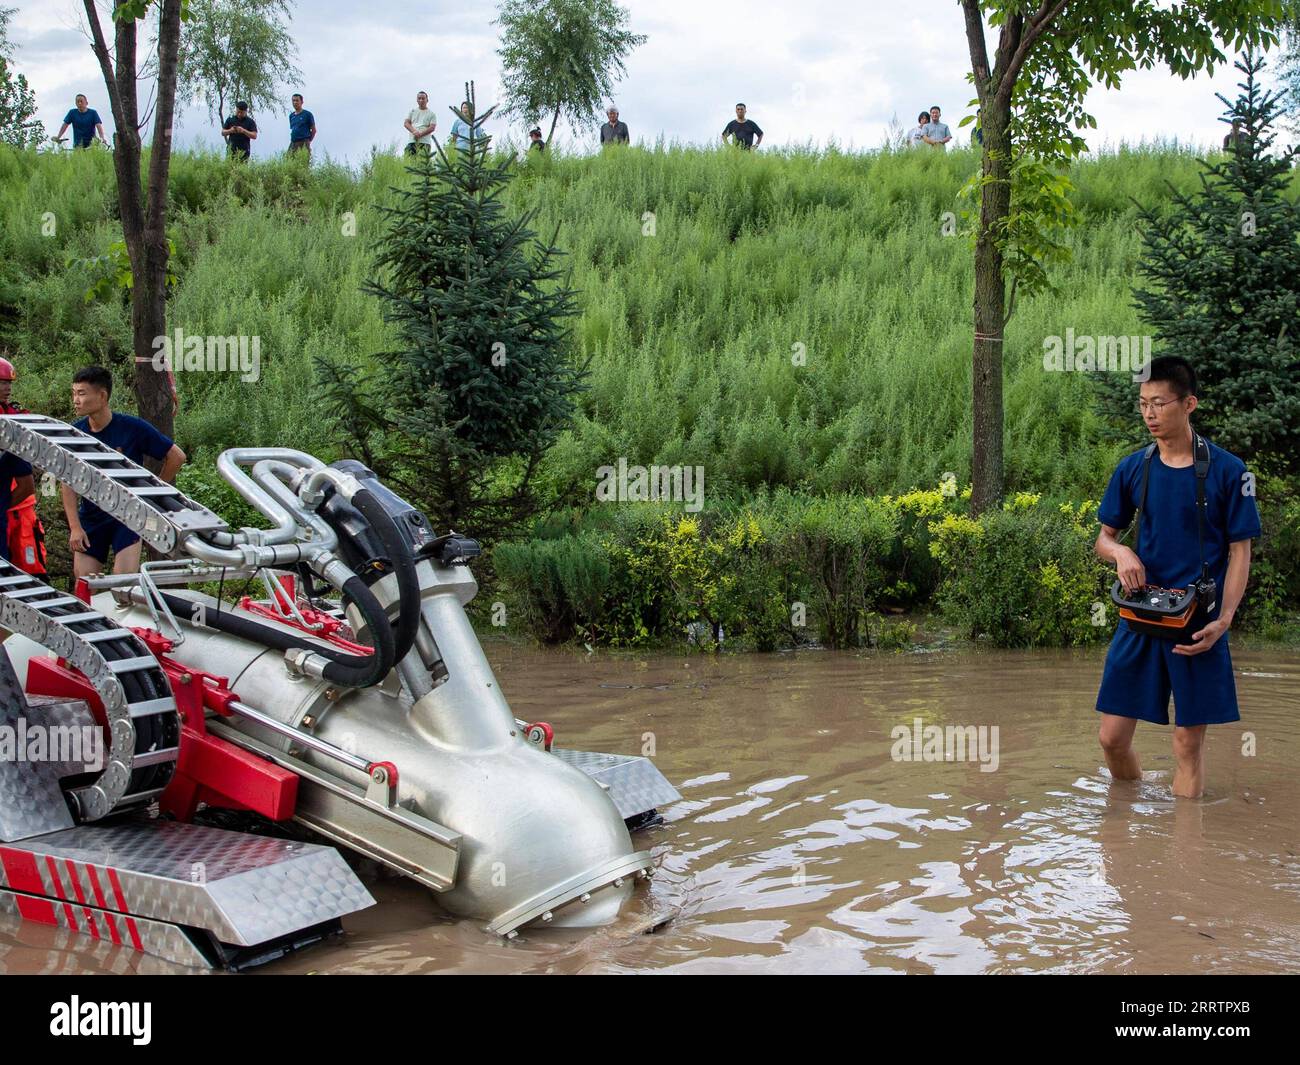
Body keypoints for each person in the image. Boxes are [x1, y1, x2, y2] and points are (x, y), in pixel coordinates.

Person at [1093, 356, 1260, 800]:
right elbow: (1103, 540)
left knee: (1187, 746)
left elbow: (1240, 552)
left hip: (1197, 625)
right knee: (1111, 738)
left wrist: (1224, 620)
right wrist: (1121, 551)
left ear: (1189, 404)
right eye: (1143, 404)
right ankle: (1129, 809)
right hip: (1140, 619)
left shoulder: (1231, 471)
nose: (1149, 414)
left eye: (1159, 403)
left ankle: (1186, 853)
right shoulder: (1133, 467)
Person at [61, 366, 186, 577]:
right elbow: (67, 482)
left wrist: (153, 492)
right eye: (74, 393)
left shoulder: (132, 427)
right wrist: (75, 527)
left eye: (81, 393)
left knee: (123, 583)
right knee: (85, 582)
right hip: (92, 516)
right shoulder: (75, 433)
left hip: (128, 515)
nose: (75, 400)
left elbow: (177, 456)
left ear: (102, 396)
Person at [0, 357, 36, 567]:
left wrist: (2, 505)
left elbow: (26, 485)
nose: (7, 388)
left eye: (9, 383)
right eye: (3, 383)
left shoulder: (13, 426)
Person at [404, 90, 437, 155]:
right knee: (409, 161)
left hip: (425, 142)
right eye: (419, 98)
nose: (421, 100)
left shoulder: (431, 114)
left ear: (427, 100)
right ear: (417, 100)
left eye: (423, 98)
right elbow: (406, 123)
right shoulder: (412, 111)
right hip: (412, 141)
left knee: (423, 163)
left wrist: (420, 134)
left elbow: (432, 127)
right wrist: (414, 132)